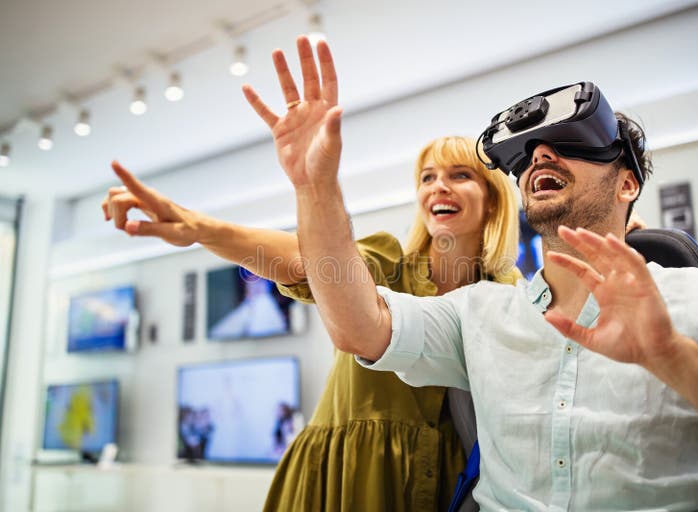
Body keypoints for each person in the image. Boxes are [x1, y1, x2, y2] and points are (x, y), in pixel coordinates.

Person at [252, 36, 698, 510]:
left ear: (627, 183)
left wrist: (671, 355)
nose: (540, 154)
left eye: (569, 142)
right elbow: (357, 326)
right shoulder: (481, 312)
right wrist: (314, 187)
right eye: (527, 154)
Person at [101, 58, 521, 512]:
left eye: (459, 175)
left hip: (454, 487)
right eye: (427, 177)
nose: (439, 187)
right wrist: (198, 227)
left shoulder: (513, 295)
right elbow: (306, 261)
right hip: (346, 479)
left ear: (493, 196)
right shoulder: (387, 262)